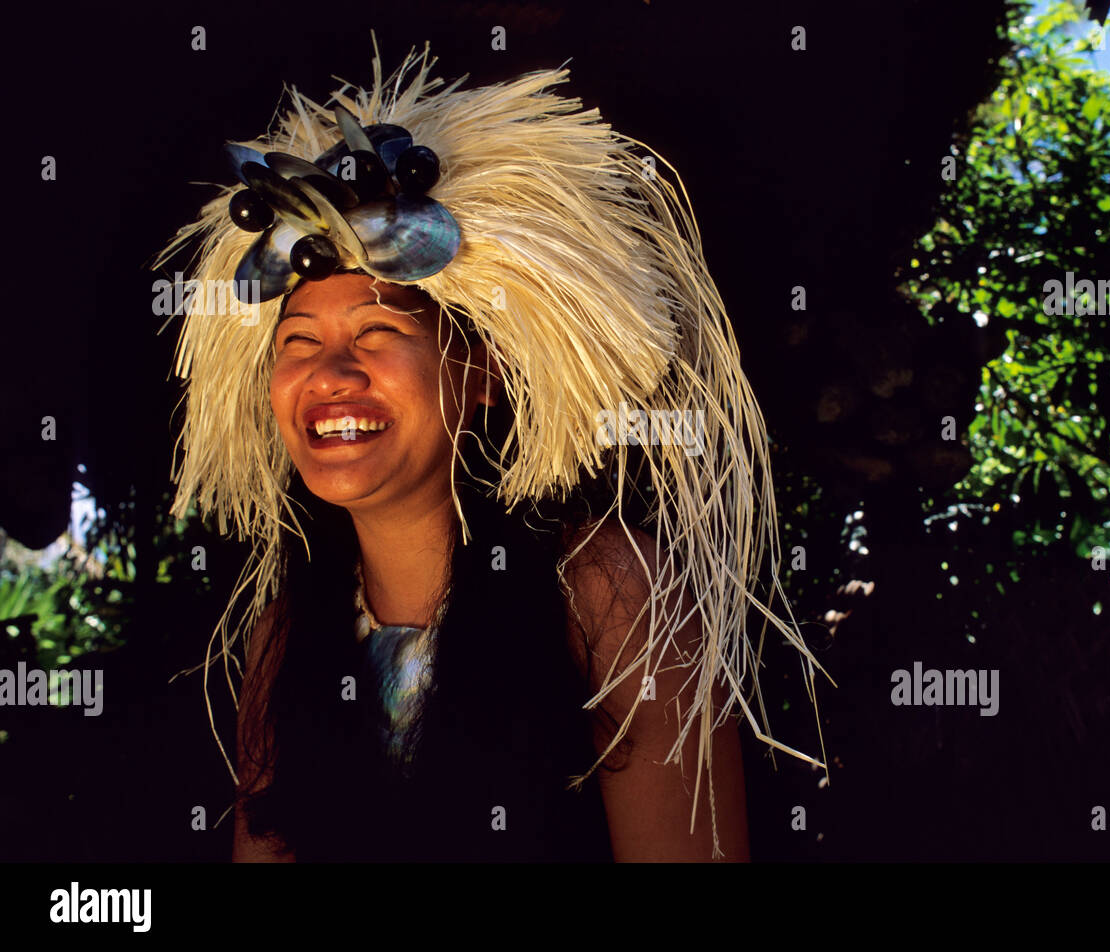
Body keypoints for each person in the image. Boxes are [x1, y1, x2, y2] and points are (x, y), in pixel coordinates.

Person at [154, 39, 829, 862]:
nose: (330, 375)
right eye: (297, 342)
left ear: (483, 376)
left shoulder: (609, 592)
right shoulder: (288, 631)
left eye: (377, 332)